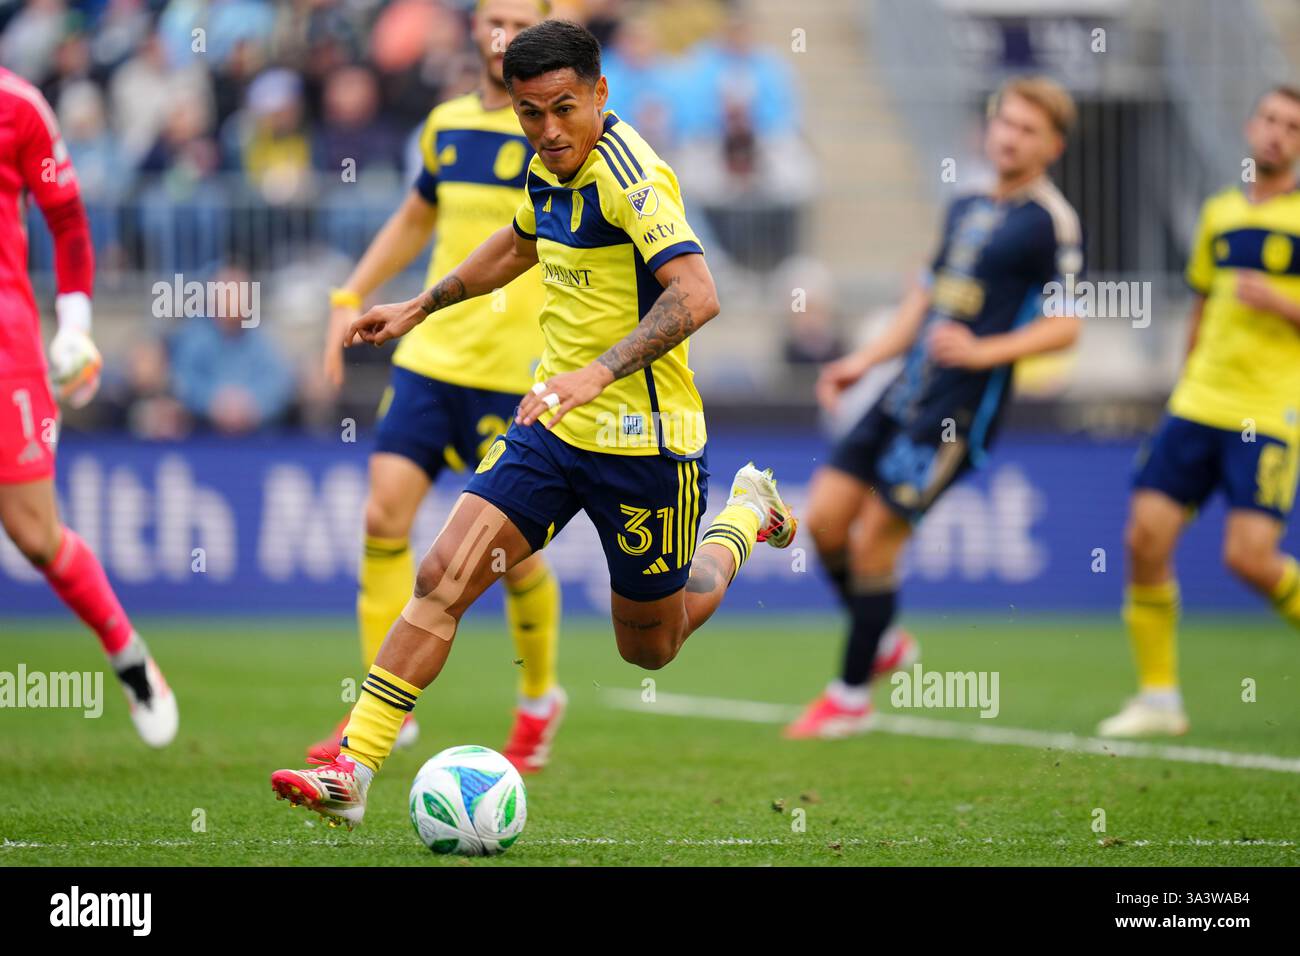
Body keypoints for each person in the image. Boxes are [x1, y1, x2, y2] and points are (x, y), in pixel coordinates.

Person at [270, 19, 795, 828]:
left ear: (599, 94)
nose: (548, 130)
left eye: (563, 109)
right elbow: (518, 243)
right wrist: (419, 304)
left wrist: (597, 373)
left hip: (644, 441)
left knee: (650, 646)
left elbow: (698, 294)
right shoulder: (546, 164)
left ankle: (742, 514)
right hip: (551, 426)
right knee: (442, 574)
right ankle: (356, 767)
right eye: (530, 113)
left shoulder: (634, 177)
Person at [308, 0, 566, 774]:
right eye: (493, 18)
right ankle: (386, 711)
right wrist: (349, 295)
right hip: (431, 358)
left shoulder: (557, 133)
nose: (503, 33)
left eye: (521, 20)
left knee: (507, 558)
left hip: (517, 371)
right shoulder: (445, 124)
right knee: (384, 514)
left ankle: (539, 699)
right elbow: (416, 218)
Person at [786, 75, 1084, 739]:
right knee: (826, 524)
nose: (1009, 135)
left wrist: (986, 351)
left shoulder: (1050, 223)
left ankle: (851, 695)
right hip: (903, 391)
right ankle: (883, 638)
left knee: (873, 546)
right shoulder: (965, 203)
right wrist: (864, 361)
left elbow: (1067, 326)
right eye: (1005, 121)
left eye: (1027, 129)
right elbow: (923, 300)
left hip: (956, 412)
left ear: (1052, 146)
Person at [1099, 86, 1300, 737]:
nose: (1276, 134)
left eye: (1292, 127)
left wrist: (1279, 303)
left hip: (1269, 411)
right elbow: (1202, 306)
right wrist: (1182, 382)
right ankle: (1159, 699)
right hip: (1197, 403)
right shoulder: (1218, 211)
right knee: (1142, 539)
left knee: (1249, 559)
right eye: (1270, 119)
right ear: (1251, 126)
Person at [0, 65, 177, 746]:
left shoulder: (19, 107)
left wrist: (74, 329)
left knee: (35, 533)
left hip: (9, 344)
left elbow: (68, 221)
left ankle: (128, 654)